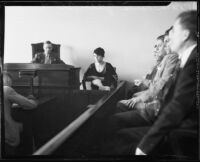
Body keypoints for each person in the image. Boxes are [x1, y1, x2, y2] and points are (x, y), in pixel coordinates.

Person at [107, 10, 198, 157]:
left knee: (119, 138)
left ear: (185, 34)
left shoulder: (193, 61)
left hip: (183, 133)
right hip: (173, 123)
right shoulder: (189, 58)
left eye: (174, 31)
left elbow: (177, 106)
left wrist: (146, 145)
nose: (170, 36)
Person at [2, 72, 39, 156]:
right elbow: (30, 105)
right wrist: (33, 100)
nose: (10, 82)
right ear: (7, 80)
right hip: (6, 137)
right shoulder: (6, 89)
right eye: (9, 79)